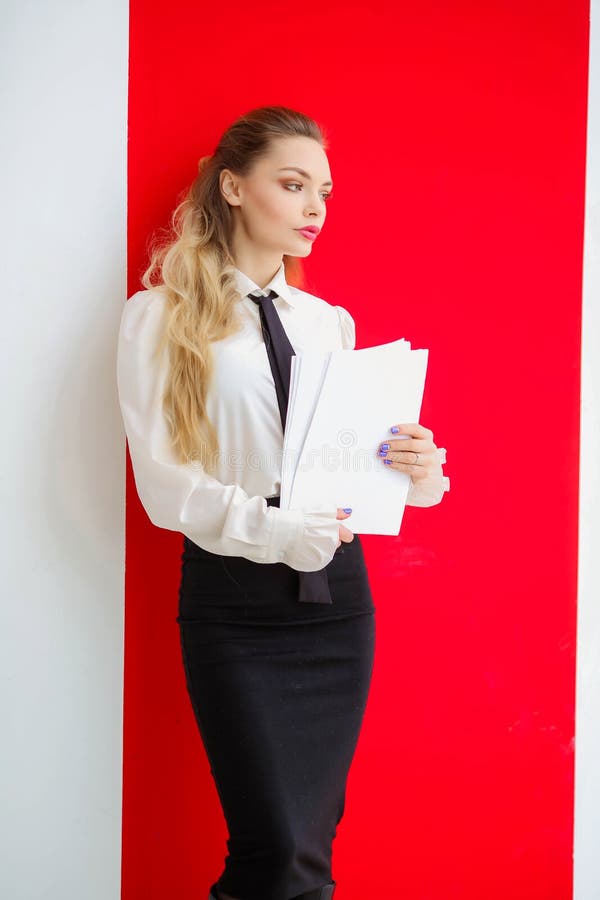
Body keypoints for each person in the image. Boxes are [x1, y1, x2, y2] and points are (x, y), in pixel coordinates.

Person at [116, 105, 449, 900]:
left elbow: (346, 467)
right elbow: (164, 485)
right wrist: (274, 531)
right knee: (276, 847)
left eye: (323, 192)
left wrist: (414, 470)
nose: (314, 209)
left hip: (335, 599)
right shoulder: (158, 316)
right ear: (233, 187)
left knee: (307, 849)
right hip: (236, 599)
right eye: (294, 185)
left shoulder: (329, 324)